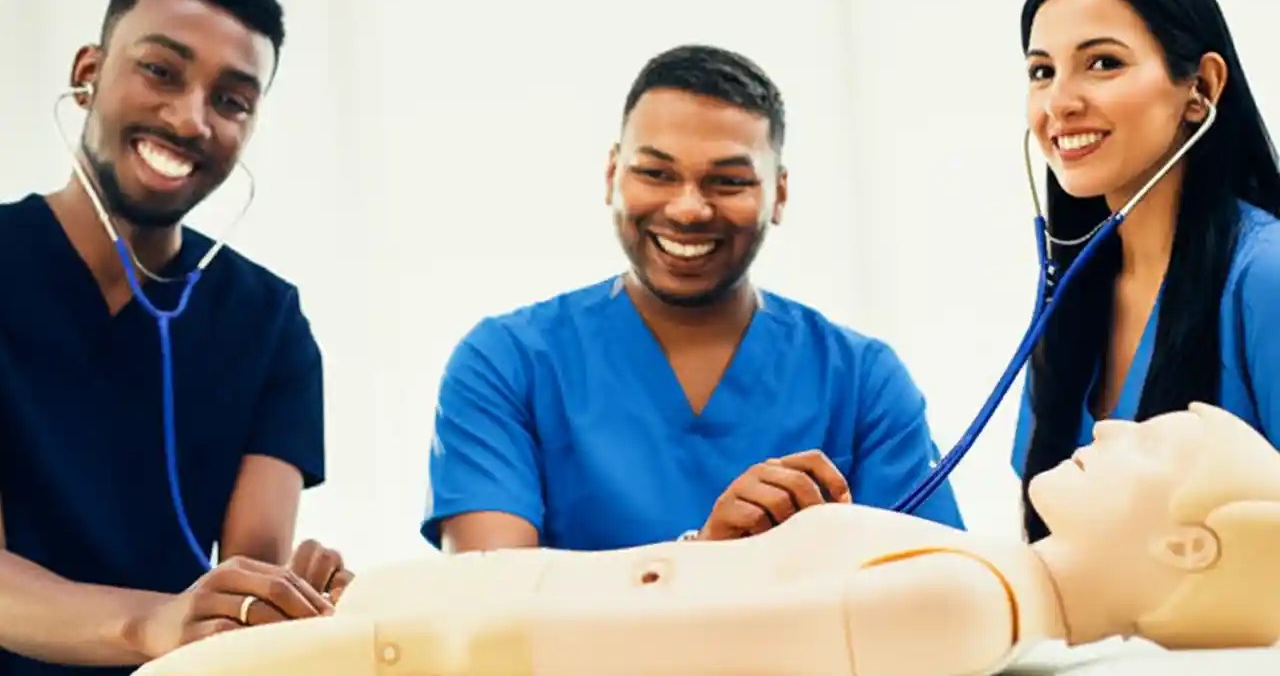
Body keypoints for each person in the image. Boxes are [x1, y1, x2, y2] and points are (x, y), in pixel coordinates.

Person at [135, 403, 1280, 676]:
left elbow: (658, 647)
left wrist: (389, 644)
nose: (1113, 420)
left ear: (1187, 551)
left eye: (1158, 445)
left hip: (427, 647)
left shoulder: (963, 602)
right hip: (417, 618)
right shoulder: (973, 573)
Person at [423, 43, 963, 554]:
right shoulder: (507, 363)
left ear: (779, 194)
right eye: (655, 173)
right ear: (613, 175)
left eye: (727, 182)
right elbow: (488, 610)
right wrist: (704, 561)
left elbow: (933, 595)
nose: (687, 209)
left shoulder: (861, 379)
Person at [0, 0, 350, 674]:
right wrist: (152, 623)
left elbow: (246, 576)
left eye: (232, 101)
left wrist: (281, 606)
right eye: (161, 71)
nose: (191, 119)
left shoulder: (271, 324)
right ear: (88, 72)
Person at [1010, 0, 1280, 541]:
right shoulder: (1069, 296)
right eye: (1041, 72)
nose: (1059, 103)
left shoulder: (1266, 274)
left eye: (1102, 63)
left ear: (1200, 88)